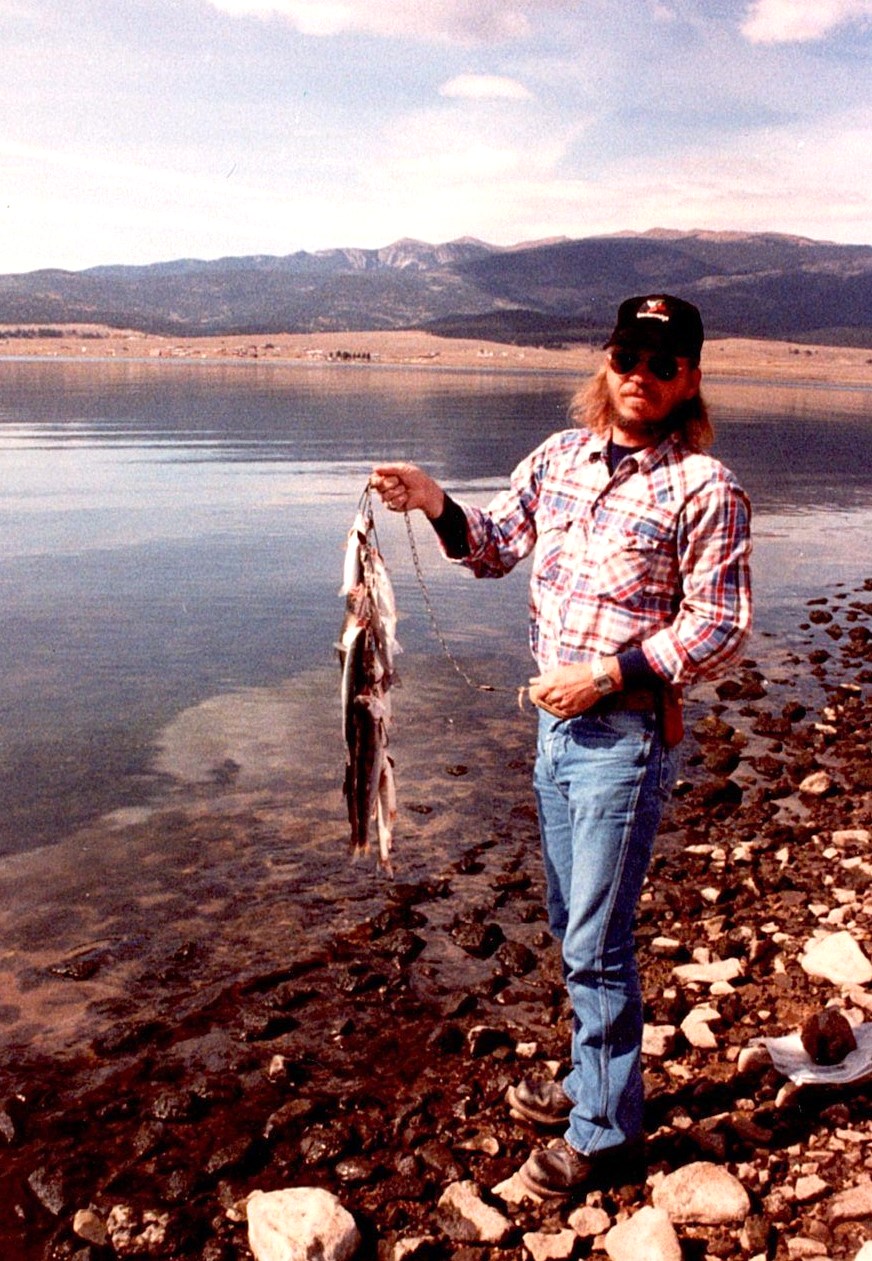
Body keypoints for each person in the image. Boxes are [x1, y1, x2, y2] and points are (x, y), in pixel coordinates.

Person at [370, 294, 752, 1200]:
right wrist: (432, 500)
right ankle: (593, 1081)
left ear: (688, 379)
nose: (641, 377)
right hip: (554, 731)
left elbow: (721, 627)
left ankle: (607, 1133)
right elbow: (495, 548)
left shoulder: (707, 488)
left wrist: (607, 677)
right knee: (569, 920)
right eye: (629, 356)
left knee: (598, 938)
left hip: (622, 734)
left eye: (664, 365)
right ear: (607, 361)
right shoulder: (557, 460)